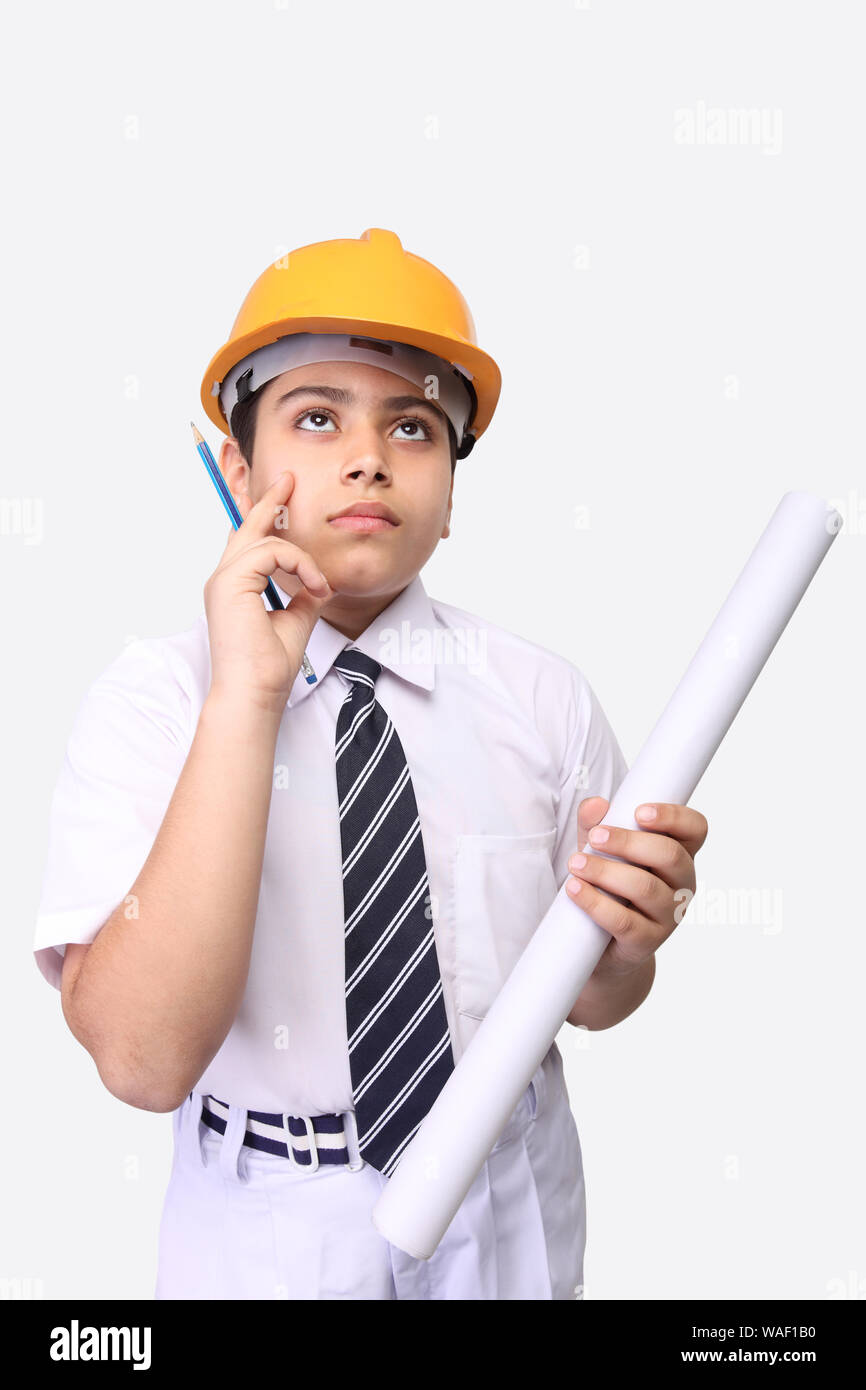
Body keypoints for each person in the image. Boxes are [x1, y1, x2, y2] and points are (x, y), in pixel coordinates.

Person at [33, 227, 708, 1300]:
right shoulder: (149, 706)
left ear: (449, 493)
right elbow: (141, 1061)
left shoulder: (540, 699)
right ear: (237, 470)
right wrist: (248, 697)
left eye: (413, 426)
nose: (368, 458)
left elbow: (595, 1001)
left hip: (506, 1207)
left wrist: (627, 940)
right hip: (267, 1229)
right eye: (316, 418)